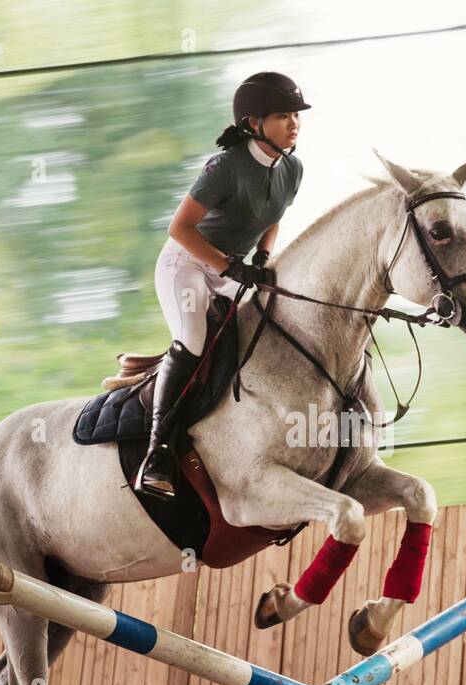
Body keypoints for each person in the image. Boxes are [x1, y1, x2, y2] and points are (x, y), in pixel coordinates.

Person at [135, 71, 309, 500]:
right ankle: (156, 454)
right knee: (194, 337)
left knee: (267, 323)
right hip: (187, 263)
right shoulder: (225, 167)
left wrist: (263, 258)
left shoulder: (293, 168)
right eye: (283, 116)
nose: (294, 124)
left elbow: (274, 215)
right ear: (254, 124)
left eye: (296, 116)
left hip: (230, 268)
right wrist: (230, 267)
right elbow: (180, 228)